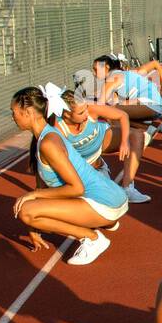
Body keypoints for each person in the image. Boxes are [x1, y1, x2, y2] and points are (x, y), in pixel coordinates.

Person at [10, 85, 130, 265]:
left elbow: (76, 187)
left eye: (14, 111)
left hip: (106, 203)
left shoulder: (48, 142)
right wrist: (34, 225)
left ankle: (92, 238)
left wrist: (34, 197)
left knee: (26, 211)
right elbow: (42, 183)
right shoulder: (46, 135)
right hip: (109, 196)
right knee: (31, 209)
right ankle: (106, 224)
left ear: (28, 112)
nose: (12, 116)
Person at [94, 54, 162, 204]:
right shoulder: (129, 73)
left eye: (95, 69)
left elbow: (100, 106)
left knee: (111, 110)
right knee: (135, 134)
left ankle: (102, 149)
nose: (94, 73)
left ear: (106, 68)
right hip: (155, 108)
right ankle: (128, 187)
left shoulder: (111, 79)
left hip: (148, 105)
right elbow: (154, 64)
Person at [53, 89, 131, 177]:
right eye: (81, 112)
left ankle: (128, 186)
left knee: (136, 136)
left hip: (102, 141)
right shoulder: (58, 128)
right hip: (83, 167)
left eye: (86, 108)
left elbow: (123, 115)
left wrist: (125, 142)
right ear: (67, 114)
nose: (87, 113)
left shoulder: (91, 108)